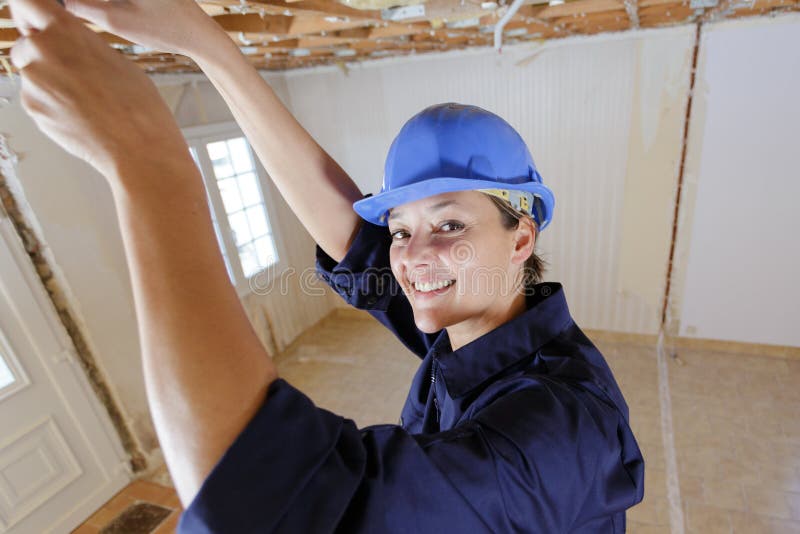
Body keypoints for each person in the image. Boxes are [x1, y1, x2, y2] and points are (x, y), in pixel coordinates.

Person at [8, 0, 644, 532]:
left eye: (450, 224)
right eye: (401, 229)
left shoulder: (562, 428)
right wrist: (205, 43)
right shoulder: (479, 321)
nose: (413, 257)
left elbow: (286, 498)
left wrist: (148, 164)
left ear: (521, 238)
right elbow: (353, 238)